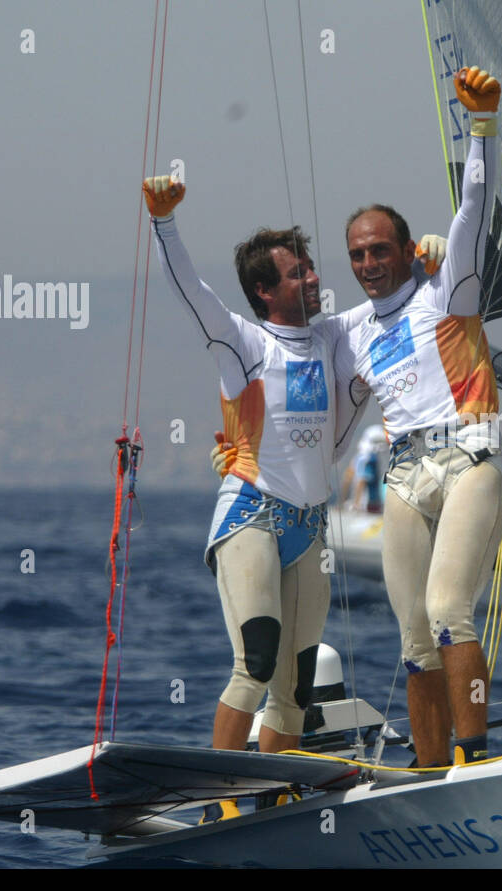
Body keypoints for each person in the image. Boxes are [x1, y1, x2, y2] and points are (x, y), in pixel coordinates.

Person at [143, 176, 359, 821]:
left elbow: (397, 311)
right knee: (256, 665)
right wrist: (164, 223)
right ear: (266, 289)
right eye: (298, 273)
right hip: (251, 517)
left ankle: (269, 800)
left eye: (312, 267)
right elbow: (192, 293)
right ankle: (219, 801)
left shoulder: (332, 337)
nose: (314, 278)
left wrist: (426, 264)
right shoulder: (244, 343)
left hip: (310, 528)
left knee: (294, 684)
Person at [328, 66, 502, 768]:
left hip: (469, 460)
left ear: (408, 250)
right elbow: (277, 347)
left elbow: (473, 209)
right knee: (413, 637)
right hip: (403, 475)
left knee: (448, 608)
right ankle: (430, 772)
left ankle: (475, 756)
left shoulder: (446, 290)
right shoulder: (350, 328)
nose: (369, 263)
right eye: (357, 255)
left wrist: (482, 125)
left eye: (381, 250)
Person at [342, 425, 389, 513]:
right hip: (367, 457)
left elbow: (348, 478)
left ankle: (362, 504)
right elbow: (361, 479)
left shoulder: (359, 457)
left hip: (371, 458)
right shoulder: (369, 458)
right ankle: (357, 503)